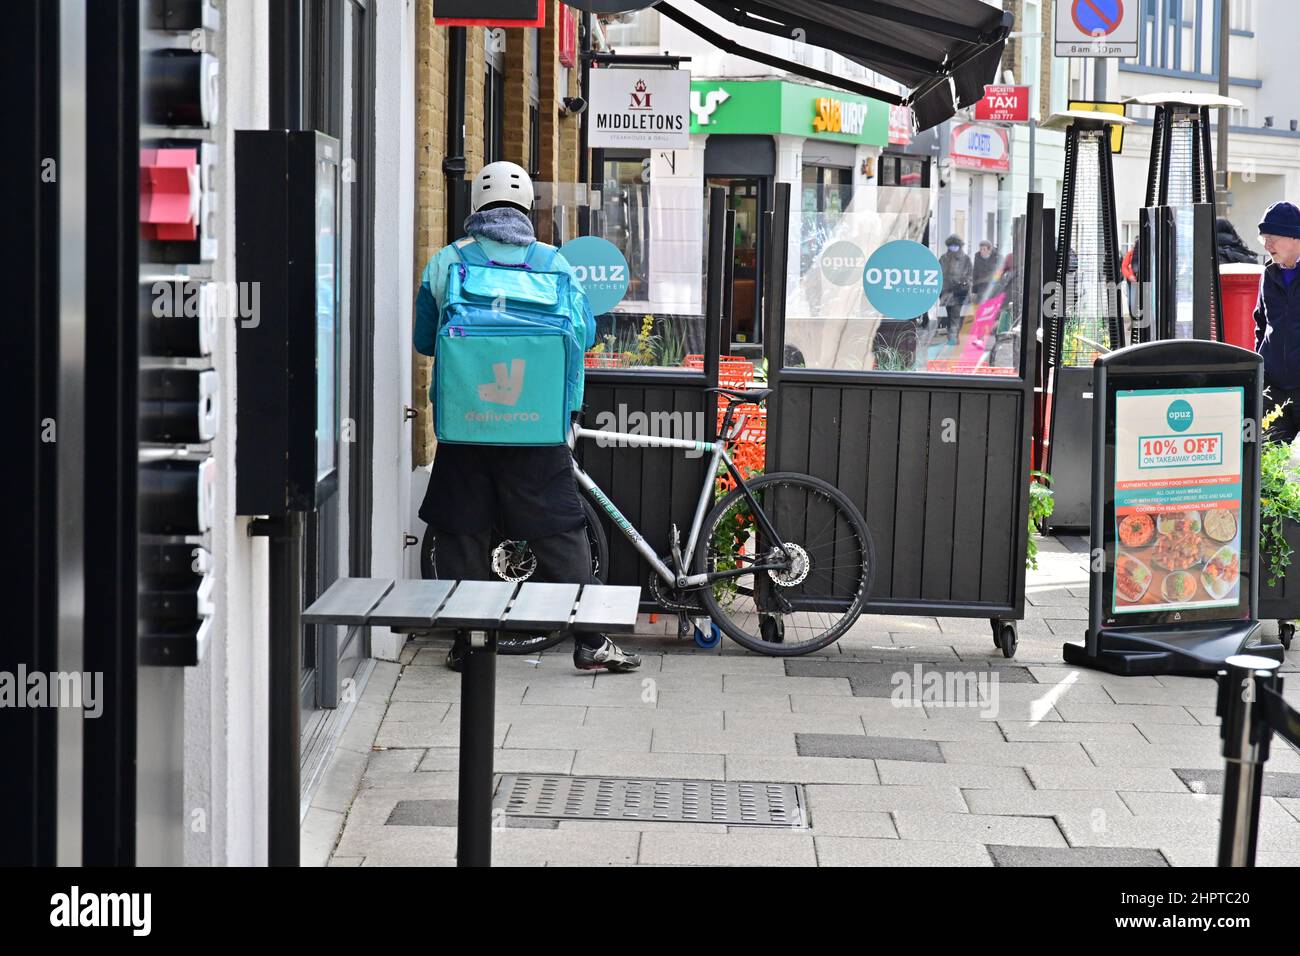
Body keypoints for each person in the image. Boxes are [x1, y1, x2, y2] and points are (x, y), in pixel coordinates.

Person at [414, 161, 641, 673]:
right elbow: (581, 337)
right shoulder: (554, 264)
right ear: (527, 209)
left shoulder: (446, 263)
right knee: (561, 536)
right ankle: (589, 642)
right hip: (538, 428)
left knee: (462, 534)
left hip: (466, 428)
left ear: (476, 205)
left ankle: (469, 642)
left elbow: (425, 340)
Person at [1254, 201, 1300, 444]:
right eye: (1264, 237)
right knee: (1269, 462)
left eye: (1273, 236)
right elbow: (1260, 323)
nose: (1267, 244)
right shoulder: (1268, 274)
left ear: (1295, 237)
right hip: (1274, 389)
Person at [938, 234, 972, 345]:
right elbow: (940, 274)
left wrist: (963, 281)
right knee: (950, 314)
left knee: (955, 314)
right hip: (946, 290)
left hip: (959, 291)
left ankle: (953, 337)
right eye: (951, 245)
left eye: (955, 245)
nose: (953, 247)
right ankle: (952, 336)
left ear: (959, 246)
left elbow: (970, 274)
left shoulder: (966, 259)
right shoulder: (943, 258)